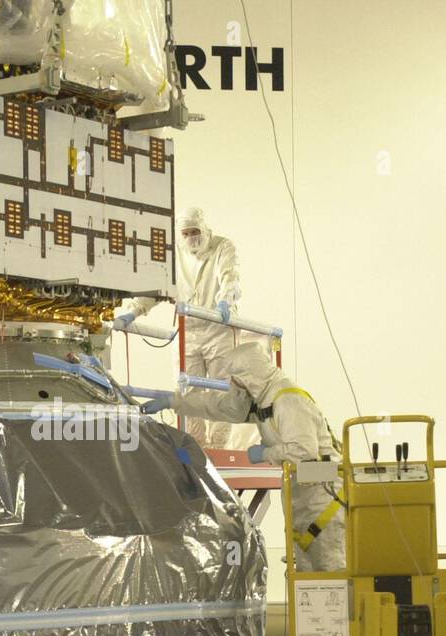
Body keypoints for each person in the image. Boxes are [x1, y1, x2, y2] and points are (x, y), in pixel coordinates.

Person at [144, 344, 346, 572]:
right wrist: (175, 401)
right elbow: (222, 407)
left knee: (329, 566)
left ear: (249, 377)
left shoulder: (288, 400)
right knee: (308, 570)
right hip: (304, 490)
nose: (233, 386)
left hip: (322, 493)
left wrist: (266, 453)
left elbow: (304, 451)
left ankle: (343, 609)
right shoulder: (266, 399)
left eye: (236, 381)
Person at [114, 206, 256, 448]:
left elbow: (229, 276)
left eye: (195, 232)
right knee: (188, 389)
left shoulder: (222, 247)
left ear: (205, 229)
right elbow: (158, 287)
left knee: (223, 389)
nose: (192, 238)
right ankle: (196, 445)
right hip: (188, 331)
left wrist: (224, 301)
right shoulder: (175, 255)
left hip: (218, 329)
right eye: (186, 233)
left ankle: (219, 446)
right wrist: (133, 312)